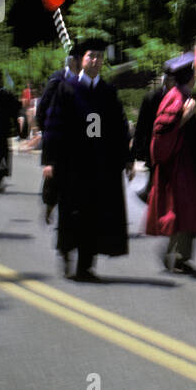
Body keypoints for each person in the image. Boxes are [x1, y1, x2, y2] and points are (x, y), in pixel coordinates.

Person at [42, 37, 134, 281]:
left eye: (100, 57)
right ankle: (65, 249)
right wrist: (49, 161)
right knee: (71, 211)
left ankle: (86, 265)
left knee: (94, 214)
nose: (95, 61)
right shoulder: (67, 88)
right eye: (91, 56)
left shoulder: (108, 92)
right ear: (81, 60)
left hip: (100, 165)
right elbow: (53, 126)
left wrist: (126, 159)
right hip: (71, 163)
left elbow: (119, 128)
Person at [145, 54, 196, 274]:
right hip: (179, 166)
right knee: (182, 211)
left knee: (191, 211)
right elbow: (161, 132)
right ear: (189, 77)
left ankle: (182, 256)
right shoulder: (175, 98)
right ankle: (173, 253)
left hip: (190, 164)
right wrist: (185, 115)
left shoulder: (184, 95)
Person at [35, 44, 84, 224]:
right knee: (54, 181)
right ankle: (50, 207)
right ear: (72, 61)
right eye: (80, 60)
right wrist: (46, 133)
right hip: (57, 139)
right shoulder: (57, 80)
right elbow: (42, 110)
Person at [132, 70, 170, 204]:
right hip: (153, 146)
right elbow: (141, 126)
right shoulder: (152, 97)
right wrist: (134, 154)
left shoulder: (179, 96)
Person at [0, 70, 23, 188]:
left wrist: (18, 127)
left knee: (3, 153)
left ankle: (0, 176)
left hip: (3, 128)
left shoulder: (7, 93)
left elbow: (15, 110)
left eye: (0, 78)